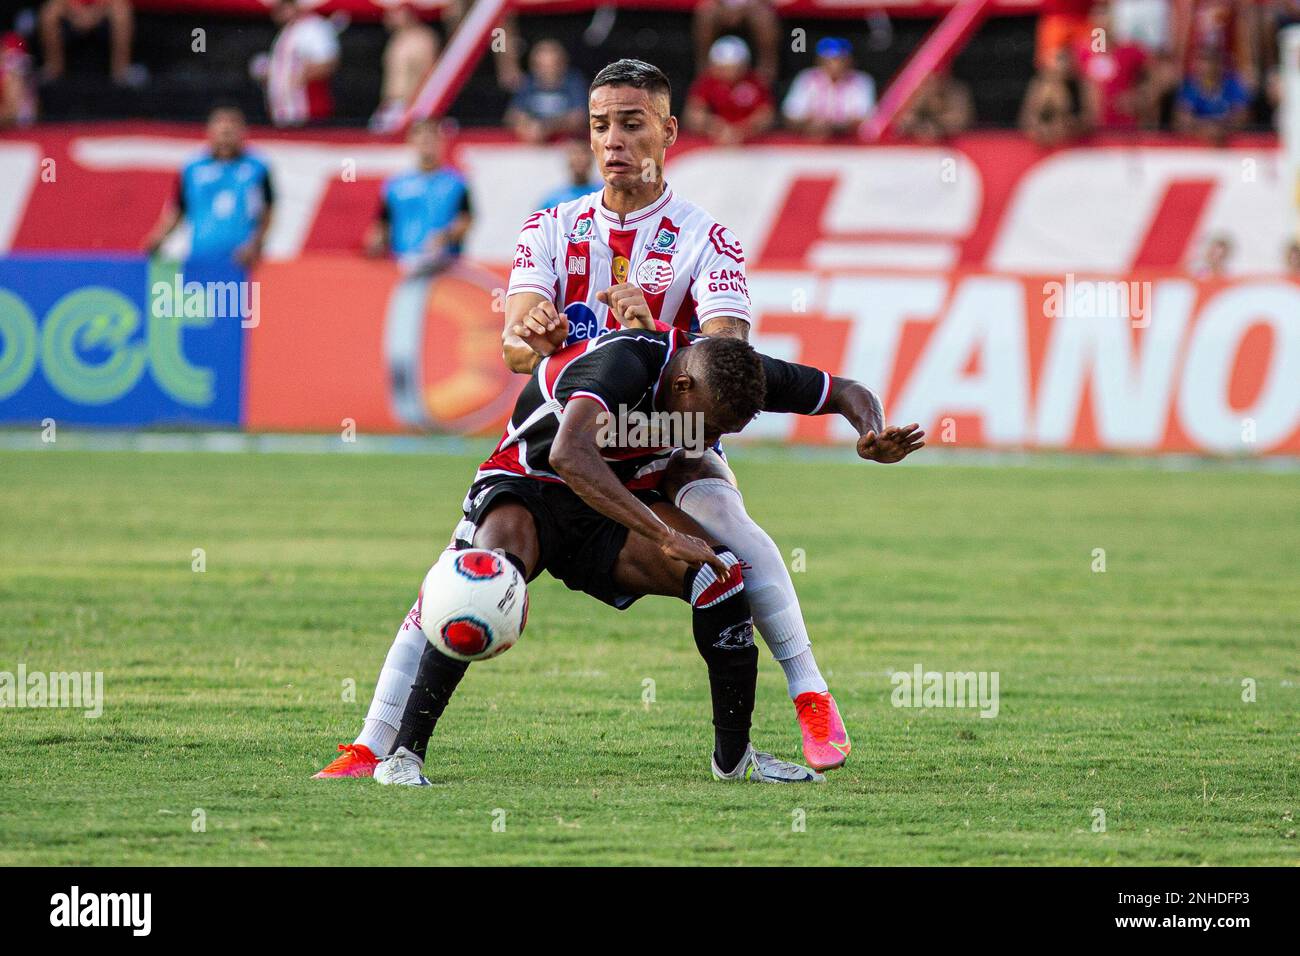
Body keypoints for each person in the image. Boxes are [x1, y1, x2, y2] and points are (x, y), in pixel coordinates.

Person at [316, 59, 863, 782]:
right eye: (601, 125)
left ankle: (810, 696)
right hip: (559, 441)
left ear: (669, 132)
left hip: (666, 436)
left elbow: (727, 353)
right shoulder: (552, 225)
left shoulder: (707, 239)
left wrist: (660, 339)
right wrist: (533, 335)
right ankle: (374, 744)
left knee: (736, 540)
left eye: (632, 124)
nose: (613, 140)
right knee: (454, 582)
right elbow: (514, 343)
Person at [366, 329, 925, 787]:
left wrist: (871, 430)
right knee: (484, 583)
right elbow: (568, 454)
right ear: (681, 384)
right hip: (531, 488)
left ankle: (734, 761)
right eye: (705, 425)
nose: (705, 440)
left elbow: (845, 390)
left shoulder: (730, 372)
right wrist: (662, 532)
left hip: (613, 502)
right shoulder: (622, 366)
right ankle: (402, 757)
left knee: (718, 574)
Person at [143, 104, 274, 268]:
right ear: (209, 131)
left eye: (232, 125)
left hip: (241, 260)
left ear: (243, 131)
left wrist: (256, 245)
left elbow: (267, 212)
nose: (226, 132)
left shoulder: (257, 167)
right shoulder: (192, 168)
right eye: (220, 125)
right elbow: (179, 209)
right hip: (200, 257)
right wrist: (159, 237)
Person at [364, 118, 472, 272]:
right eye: (421, 138)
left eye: (431, 138)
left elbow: (466, 219)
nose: (426, 143)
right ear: (411, 142)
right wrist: (376, 242)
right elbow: (383, 222)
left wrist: (445, 236)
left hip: (443, 265)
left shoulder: (455, 183)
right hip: (402, 263)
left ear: (441, 142)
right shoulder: (395, 185)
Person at [257, 0, 340, 128]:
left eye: (283, 7)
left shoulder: (312, 27)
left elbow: (327, 64)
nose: (277, 12)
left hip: (307, 111)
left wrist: (297, 79)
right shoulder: (288, 30)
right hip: (284, 113)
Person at [684, 36, 775, 145]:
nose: (729, 73)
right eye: (723, 68)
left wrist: (742, 130)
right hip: (712, 143)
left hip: (751, 143)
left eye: (734, 68)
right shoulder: (706, 82)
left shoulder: (755, 82)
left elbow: (766, 114)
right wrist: (715, 126)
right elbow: (693, 114)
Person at [1076, 1, 1152, 129]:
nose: (1102, 20)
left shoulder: (1131, 50)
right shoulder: (1081, 51)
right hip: (1093, 131)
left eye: (1106, 13)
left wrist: (1141, 97)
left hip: (1126, 129)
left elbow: (1161, 76)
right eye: (1098, 14)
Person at [782, 36, 875, 139]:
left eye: (840, 59)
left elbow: (865, 119)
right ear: (819, 60)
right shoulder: (806, 78)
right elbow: (790, 116)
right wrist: (810, 124)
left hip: (849, 143)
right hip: (811, 142)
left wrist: (830, 127)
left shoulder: (861, 80)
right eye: (830, 59)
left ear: (849, 60)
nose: (835, 64)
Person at [370, 3, 438, 134]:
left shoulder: (422, 39)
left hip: (410, 104)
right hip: (391, 104)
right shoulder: (396, 40)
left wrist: (417, 104)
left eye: (395, 13)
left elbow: (429, 73)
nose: (389, 18)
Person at [504, 39, 587, 143]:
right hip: (532, 148)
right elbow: (512, 116)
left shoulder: (573, 82)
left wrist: (547, 127)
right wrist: (527, 125)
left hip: (567, 146)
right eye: (541, 66)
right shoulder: (528, 83)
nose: (547, 72)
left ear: (563, 63)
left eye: (553, 65)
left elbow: (579, 117)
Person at [37, 0, 137, 86]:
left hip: (102, 8)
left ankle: (121, 71)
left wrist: (94, 13)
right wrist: (76, 10)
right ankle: (53, 68)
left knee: (122, 11)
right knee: (49, 12)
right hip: (71, 9)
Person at [693, 0, 779, 87]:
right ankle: (704, 71)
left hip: (752, 7)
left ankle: (766, 73)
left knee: (764, 17)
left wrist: (745, 8)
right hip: (720, 6)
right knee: (706, 14)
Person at [1173, 47, 1251, 142]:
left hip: (1228, 143)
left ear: (1220, 64)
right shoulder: (1189, 87)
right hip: (1196, 144)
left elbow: (1241, 117)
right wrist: (1206, 129)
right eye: (1203, 60)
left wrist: (1220, 129)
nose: (1208, 66)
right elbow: (1183, 120)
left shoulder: (1233, 86)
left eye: (1212, 61)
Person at [1020, 48, 1086, 145]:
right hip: (1046, 141)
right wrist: (1041, 130)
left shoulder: (1081, 85)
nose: (1063, 68)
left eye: (1066, 63)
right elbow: (1028, 118)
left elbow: (1088, 118)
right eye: (1058, 62)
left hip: (1073, 142)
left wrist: (1072, 124)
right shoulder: (1040, 86)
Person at [895, 69, 974, 141]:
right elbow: (902, 120)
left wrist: (937, 115)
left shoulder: (957, 92)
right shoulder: (915, 91)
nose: (932, 79)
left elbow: (959, 120)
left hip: (948, 140)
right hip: (914, 141)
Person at [536, 137, 601, 210]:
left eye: (584, 154)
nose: (580, 159)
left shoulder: (604, 195)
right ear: (568, 160)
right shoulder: (552, 199)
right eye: (575, 153)